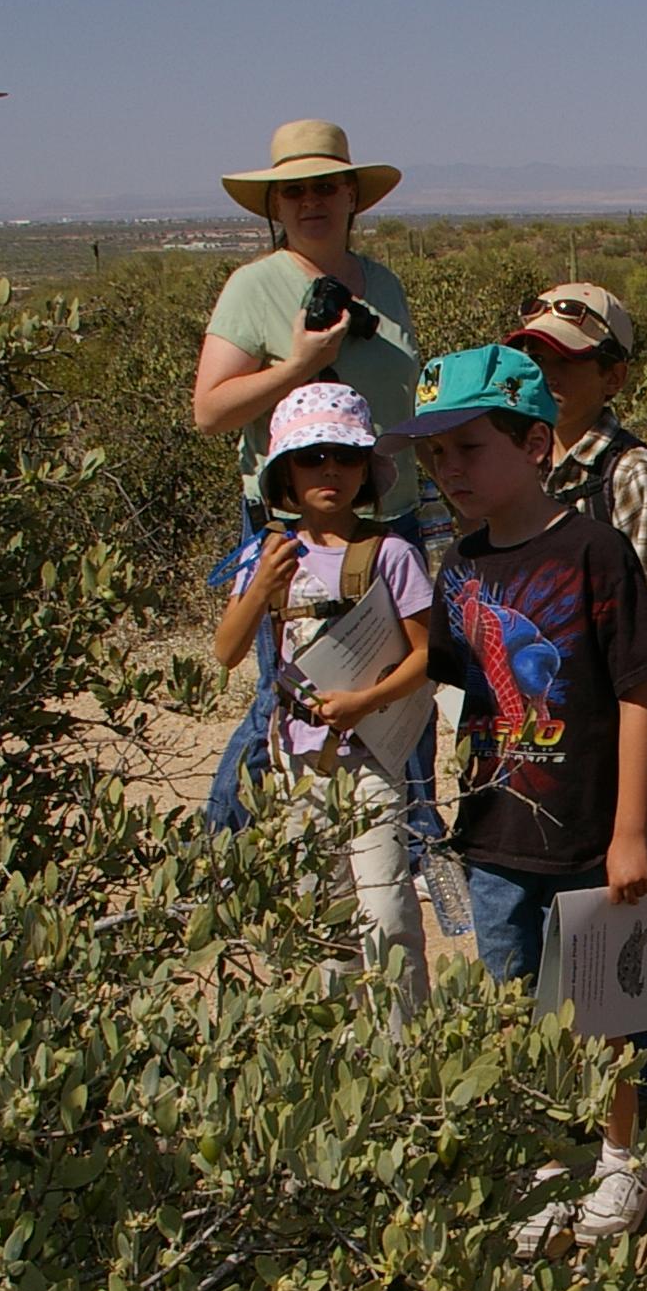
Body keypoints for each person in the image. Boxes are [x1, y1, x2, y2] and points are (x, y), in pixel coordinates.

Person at [399, 345, 647, 1254]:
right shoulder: (459, 567)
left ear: (532, 443)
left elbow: (642, 690)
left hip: (594, 836)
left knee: (610, 1008)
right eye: (433, 457)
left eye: (467, 449)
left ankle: (617, 1159)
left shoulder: (593, 551)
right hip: (493, 835)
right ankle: (544, 1164)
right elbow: (440, 679)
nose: (449, 472)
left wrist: (630, 832)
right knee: (513, 1005)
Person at [506, 280, 647, 1133]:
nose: (546, 371)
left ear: (613, 375)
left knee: (630, 922)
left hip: (611, 735)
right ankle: (590, 1091)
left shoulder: (630, 475)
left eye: (567, 359)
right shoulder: (518, 465)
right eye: (533, 356)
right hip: (536, 736)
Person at [193, 121, 434, 836]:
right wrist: (298, 364)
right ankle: (231, 835)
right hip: (299, 526)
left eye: (325, 186)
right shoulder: (255, 287)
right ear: (274, 207)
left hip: (390, 513)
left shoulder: (382, 284)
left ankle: (404, 835)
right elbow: (210, 409)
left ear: (351, 195)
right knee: (293, 687)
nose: (310, 202)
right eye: (292, 191)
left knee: (402, 684)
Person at [211, 383, 431, 1004]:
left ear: (366, 469)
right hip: (297, 768)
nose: (329, 470)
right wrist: (259, 588)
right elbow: (227, 652)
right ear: (285, 472)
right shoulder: (266, 555)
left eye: (345, 455)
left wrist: (364, 703)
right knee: (320, 919)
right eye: (312, 458)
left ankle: (405, 1051)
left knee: (387, 914)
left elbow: (429, 654)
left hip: (372, 764)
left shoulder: (390, 554)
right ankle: (340, 1059)